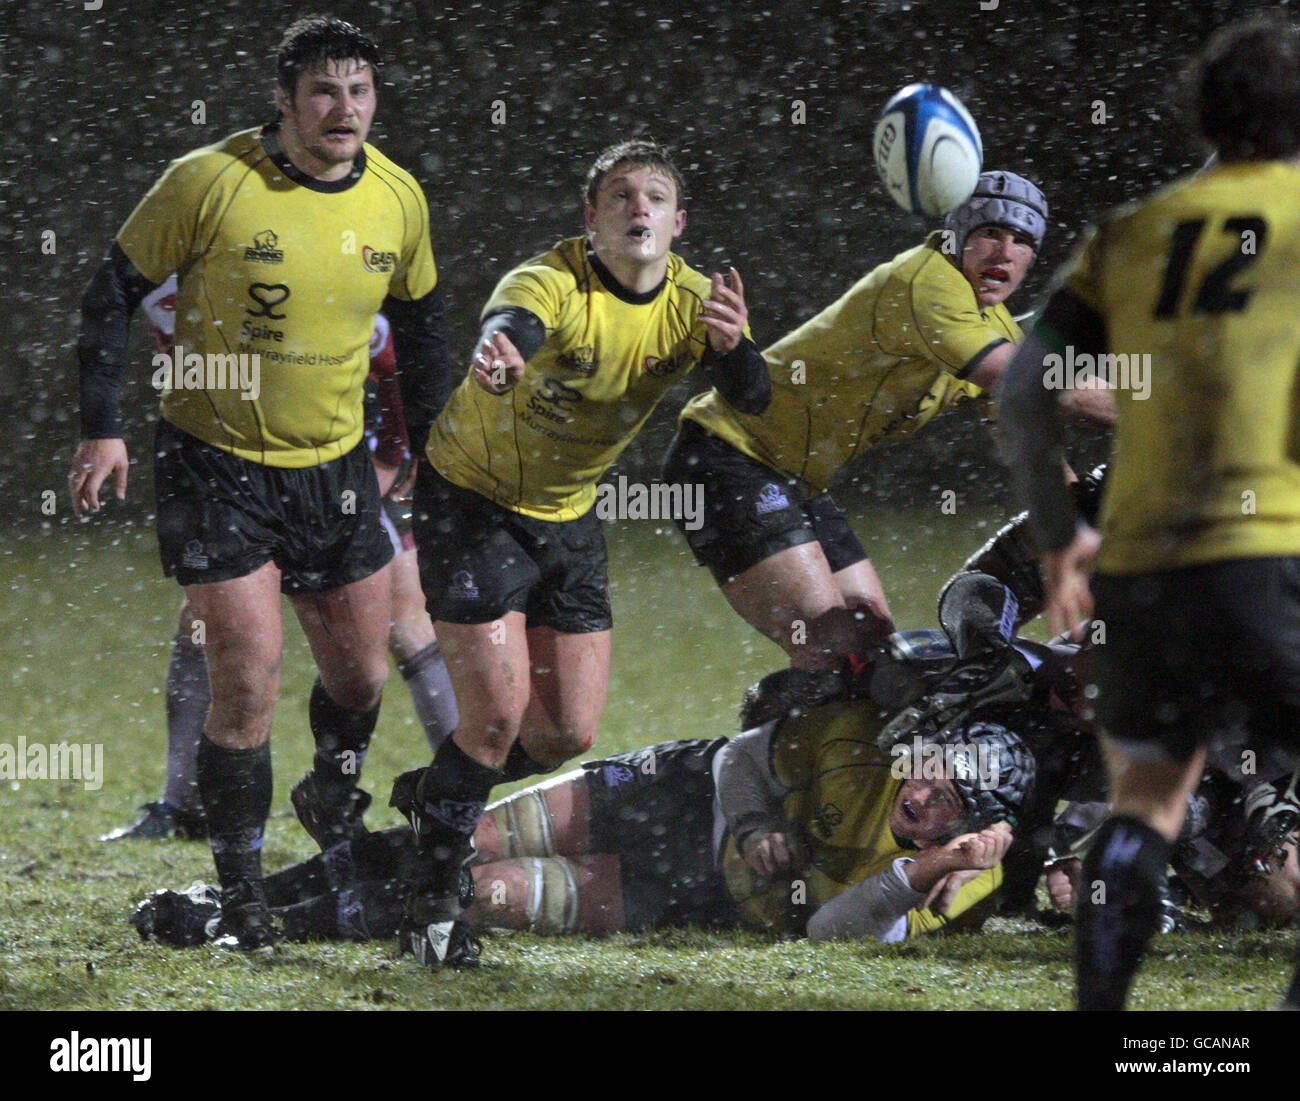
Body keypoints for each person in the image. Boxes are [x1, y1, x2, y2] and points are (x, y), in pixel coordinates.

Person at [70, 15, 453, 949]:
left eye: (359, 91)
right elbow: (109, 294)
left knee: (362, 676)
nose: (344, 109)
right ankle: (242, 894)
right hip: (216, 466)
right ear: (284, 102)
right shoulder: (209, 180)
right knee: (246, 682)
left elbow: (429, 326)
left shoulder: (398, 198)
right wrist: (103, 430)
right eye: (324, 91)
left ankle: (331, 787)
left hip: (336, 469)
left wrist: (438, 455)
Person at [397, 140, 771, 966]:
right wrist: (500, 352)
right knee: (492, 718)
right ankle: (429, 909)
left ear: (679, 221)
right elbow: (511, 324)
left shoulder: (697, 302)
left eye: (656, 197)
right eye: (621, 196)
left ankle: (436, 796)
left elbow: (756, 398)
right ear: (591, 217)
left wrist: (739, 347)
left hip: (568, 512)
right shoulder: (551, 281)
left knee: (566, 729)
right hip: (472, 500)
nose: (640, 209)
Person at [998, 16, 1300, 1010]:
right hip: (1268, 555)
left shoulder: (1130, 233)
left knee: (1145, 802)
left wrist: (1056, 533)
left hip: (1141, 573)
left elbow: (1023, 389)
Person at [131, 689, 1035, 953]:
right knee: (467, 839)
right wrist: (754, 821)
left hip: (689, 894)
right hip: (676, 794)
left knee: (477, 893)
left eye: (949, 804)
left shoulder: (960, 880)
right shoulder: (869, 744)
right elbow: (737, 754)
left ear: (975, 828)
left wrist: (920, 872)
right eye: (934, 776)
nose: (924, 796)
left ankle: (261, 926)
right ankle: (231, 899)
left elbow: (832, 929)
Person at [661, 171, 1090, 675]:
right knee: (837, 653)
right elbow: (1036, 384)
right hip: (725, 456)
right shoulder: (928, 282)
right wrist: (1163, 402)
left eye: (1022, 241)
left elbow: (1025, 444)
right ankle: (751, 753)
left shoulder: (989, 325)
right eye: (990, 233)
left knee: (876, 656)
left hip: (793, 476)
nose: (1005, 253)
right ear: (957, 236)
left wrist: (1082, 529)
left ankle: (790, 733)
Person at [103, 294, 460, 844]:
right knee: (201, 623)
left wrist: (391, 456)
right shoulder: (166, 278)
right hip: (245, 480)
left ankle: (454, 805)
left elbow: (393, 357)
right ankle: (183, 803)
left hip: (336, 473)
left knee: (404, 624)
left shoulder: (296, 270)